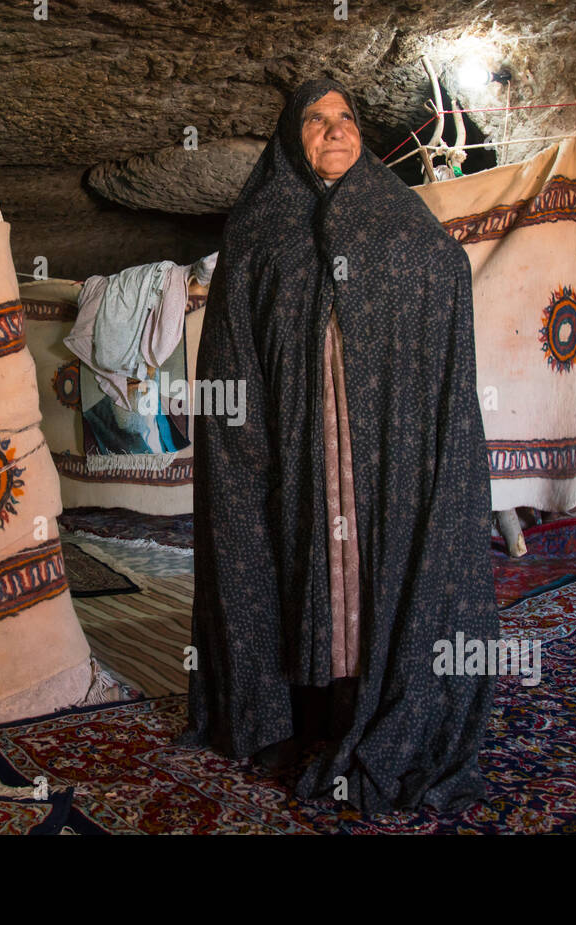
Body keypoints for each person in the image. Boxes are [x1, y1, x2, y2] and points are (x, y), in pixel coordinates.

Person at [180, 77, 499, 814]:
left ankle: (376, 702)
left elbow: (446, 275)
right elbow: (230, 349)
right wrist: (244, 442)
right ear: (291, 140)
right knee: (301, 562)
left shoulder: (398, 221)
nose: (334, 130)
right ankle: (299, 715)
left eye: (346, 118)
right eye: (316, 121)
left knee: (368, 570)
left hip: (380, 449)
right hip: (295, 448)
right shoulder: (261, 232)